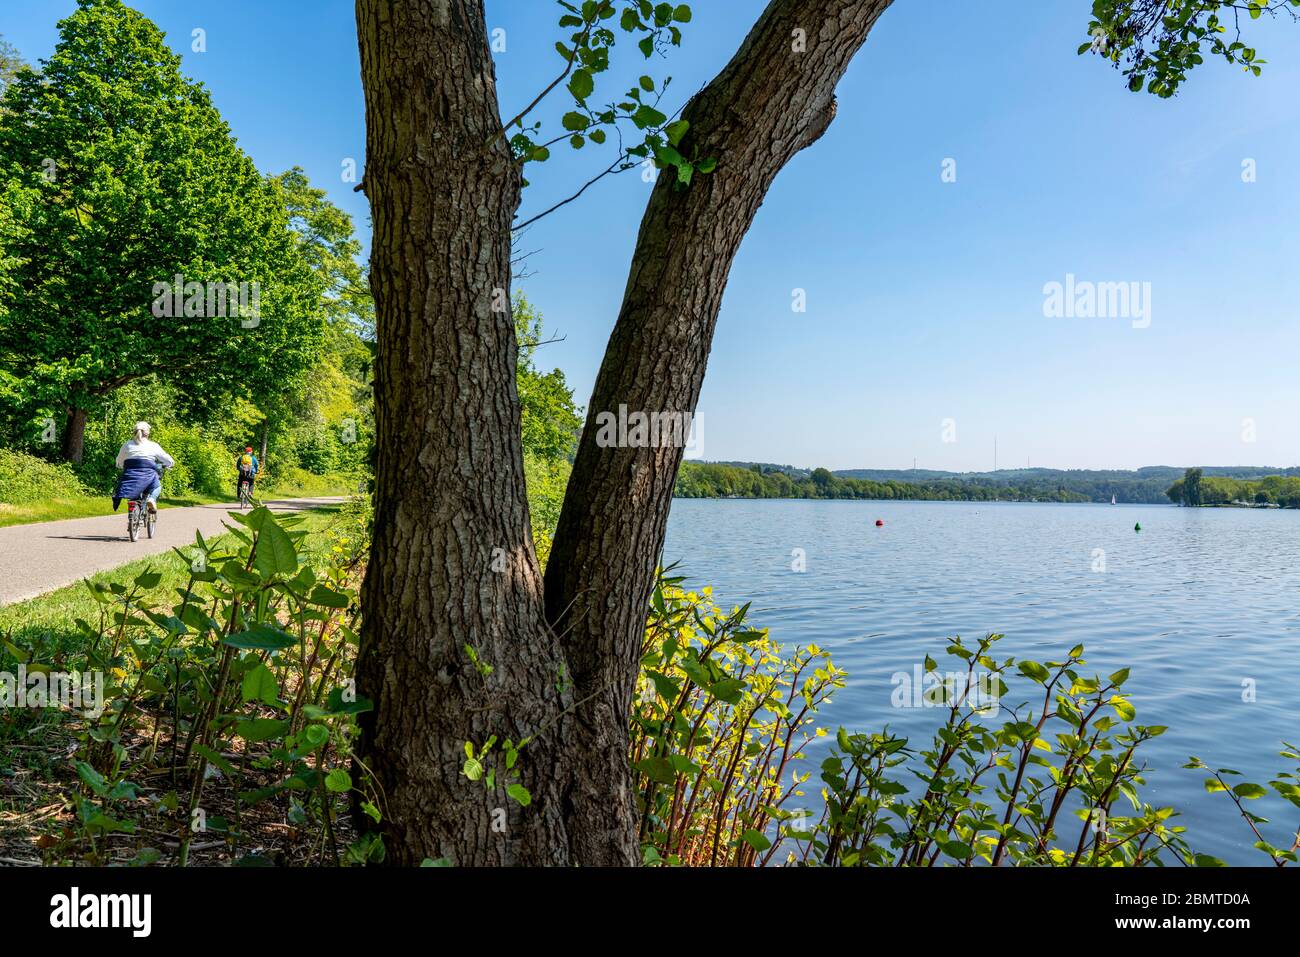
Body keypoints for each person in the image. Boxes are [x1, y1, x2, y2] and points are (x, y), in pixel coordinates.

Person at [113, 421, 174, 512]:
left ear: (134, 432)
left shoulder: (127, 445)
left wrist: (121, 466)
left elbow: (119, 461)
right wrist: (170, 463)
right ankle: (152, 499)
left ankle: (135, 510)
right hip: (147, 475)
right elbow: (166, 459)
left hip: (130, 476)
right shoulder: (153, 445)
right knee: (157, 486)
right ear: (148, 433)